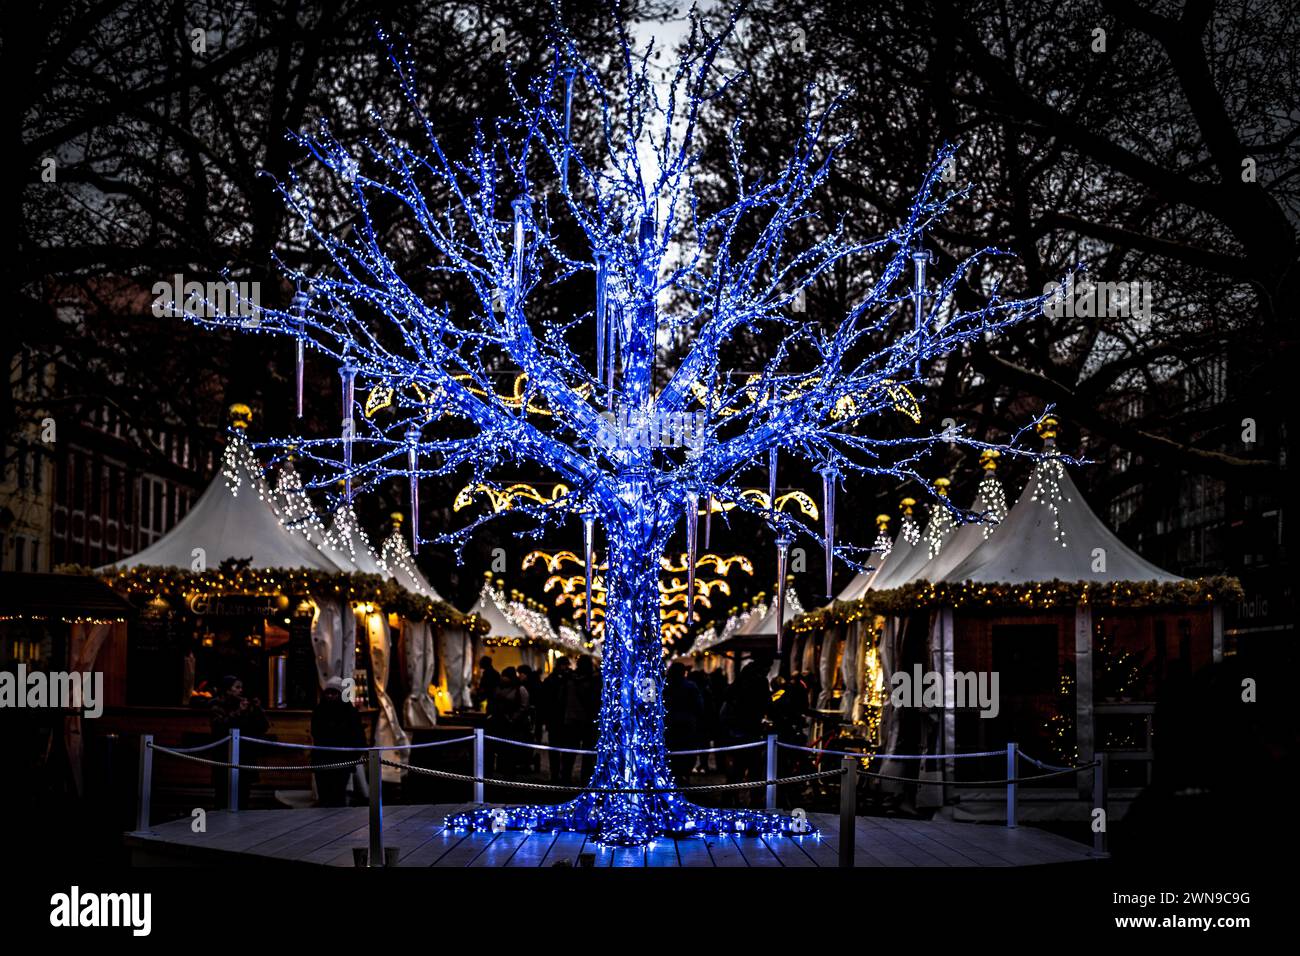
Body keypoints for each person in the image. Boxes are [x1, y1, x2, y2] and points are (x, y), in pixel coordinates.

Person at [209, 675, 268, 809]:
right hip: (224, 755)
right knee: (223, 793)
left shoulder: (245, 704)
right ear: (227, 690)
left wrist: (258, 709)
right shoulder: (217, 706)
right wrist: (238, 712)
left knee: (243, 793)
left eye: (241, 687)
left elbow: (263, 726)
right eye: (237, 687)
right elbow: (220, 727)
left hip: (245, 754)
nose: (241, 690)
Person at [718, 661, 772, 806]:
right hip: (752, 732)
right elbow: (767, 703)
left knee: (736, 771)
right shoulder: (760, 683)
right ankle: (754, 803)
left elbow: (726, 701)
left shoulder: (738, 683)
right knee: (754, 771)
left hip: (736, 733)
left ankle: (728, 801)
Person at [311, 676, 366, 807]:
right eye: (328, 693)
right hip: (323, 759)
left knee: (337, 795)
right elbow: (316, 733)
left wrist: (353, 757)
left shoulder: (350, 712)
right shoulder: (319, 711)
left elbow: (358, 737)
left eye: (334, 693)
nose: (330, 696)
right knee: (324, 795)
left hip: (342, 760)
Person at [560, 656, 600, 783]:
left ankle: (565, 778)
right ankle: (585, 779)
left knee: (569, 752)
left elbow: (562, 698)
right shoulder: (593, 681)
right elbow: (594, 701)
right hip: (586, 721)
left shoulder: (569, 679)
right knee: (587, 753)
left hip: (570, 719)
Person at [664, 663, 704, 782]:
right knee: (687, 752)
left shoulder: (665, 686)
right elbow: (699, 706)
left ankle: (673, 775)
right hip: (687, 725)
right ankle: (684, 774)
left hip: (669, 724)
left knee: (672, 751)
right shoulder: (690, 686)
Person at [487, 666, 530, 776]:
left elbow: (523, 707)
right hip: (498, 724)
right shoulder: (498, 688)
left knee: (509, 750)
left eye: (505, 676)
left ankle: (509, 771)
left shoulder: (519, 689)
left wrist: (512, 718)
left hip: (513, 726)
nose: (502, 678)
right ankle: (501, 769)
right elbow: (493, 702)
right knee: (500, 748)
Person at [540, 658, 573, 782]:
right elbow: (545, 701)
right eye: (565, 665)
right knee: (554, 750)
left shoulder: (568, 679)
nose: (566, 668)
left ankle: (564, 775)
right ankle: (555, 774)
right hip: (555, 720)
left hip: (564, 721)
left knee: (565, 751)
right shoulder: (551, 680)